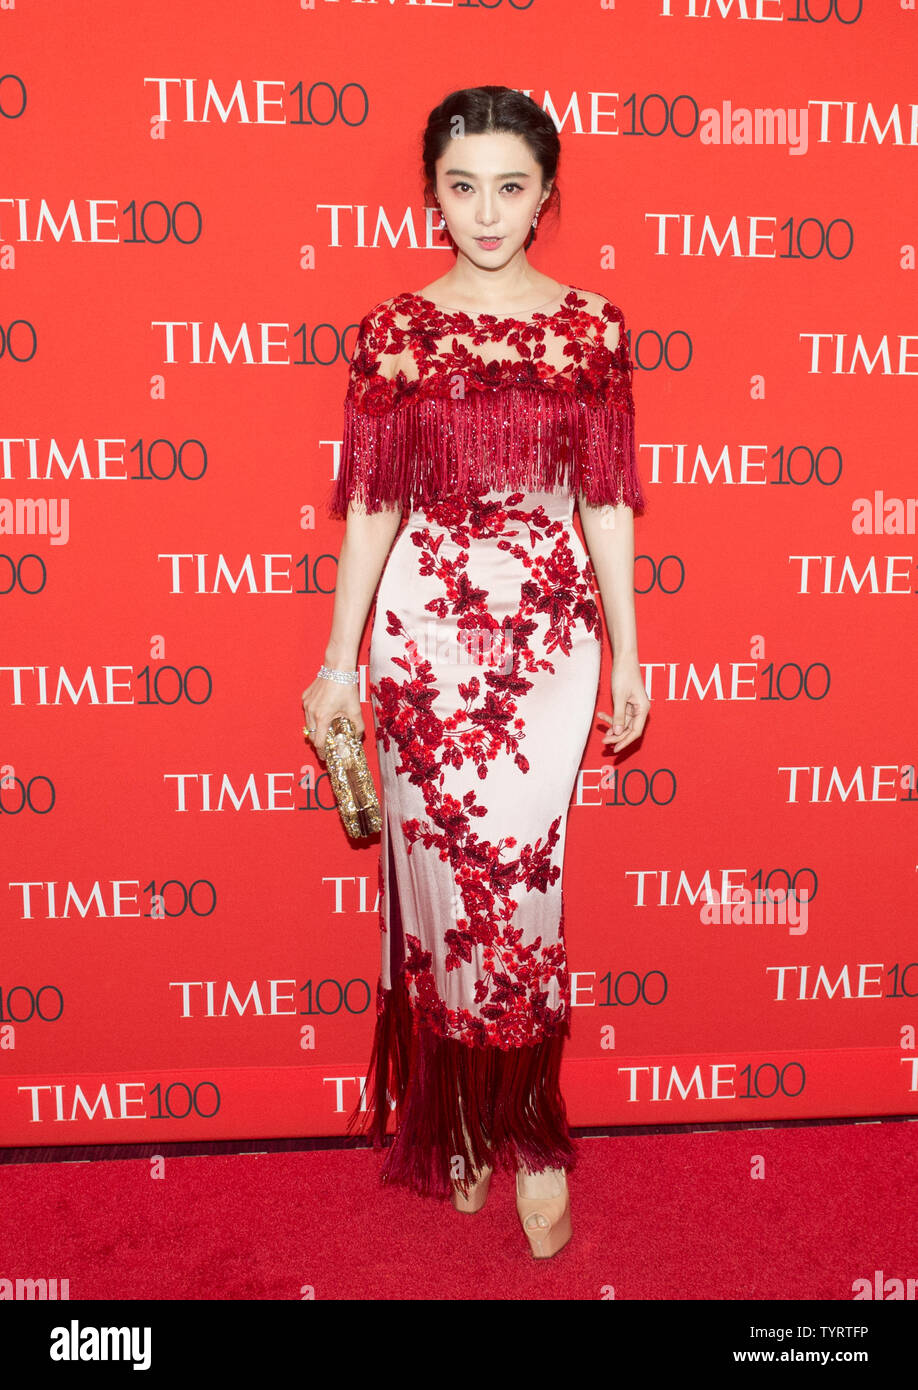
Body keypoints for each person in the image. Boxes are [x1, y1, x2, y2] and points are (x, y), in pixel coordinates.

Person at [301, 85, 650, 1260]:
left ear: (547, 193)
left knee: (523, 889)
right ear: (431, 192)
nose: (486, 210)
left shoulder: (592, 327)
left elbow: (605, 503)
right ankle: (457, 1117)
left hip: (547, 642)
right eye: (462, 185)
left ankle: (534, 1130)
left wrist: (632, 647)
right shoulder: (394, 330)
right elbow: (372, 511)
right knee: (439, 895)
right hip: (424, 643)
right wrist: (337, 664)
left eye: (511, 185)